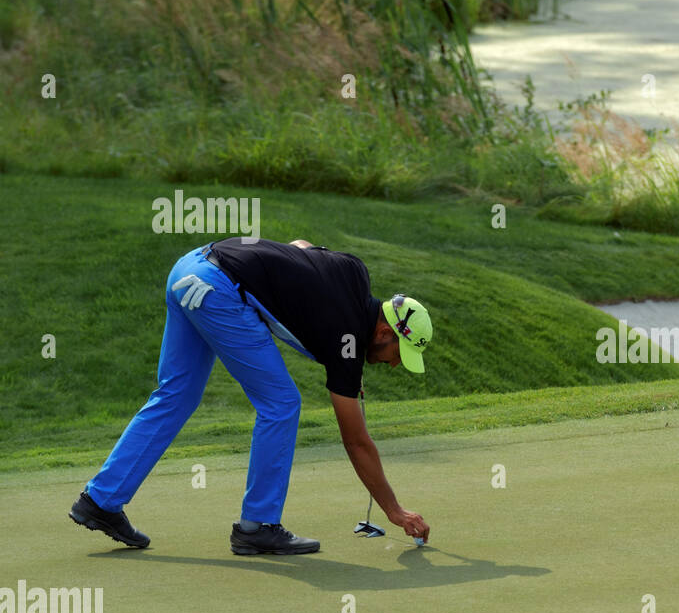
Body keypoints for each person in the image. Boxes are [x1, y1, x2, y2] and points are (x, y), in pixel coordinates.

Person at [69, 237, 433, 554]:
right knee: (282, 404)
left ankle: (101, 500)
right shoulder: (347, 342)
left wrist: (284, 290)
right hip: (218, 288)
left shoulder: (356, 271)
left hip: (188, 268)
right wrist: (394, 511)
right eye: (399, 355)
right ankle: (258, 527)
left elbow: (299, 246)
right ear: (385, 332)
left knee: (177, 395)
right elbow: (356, 442)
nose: (395, 365)